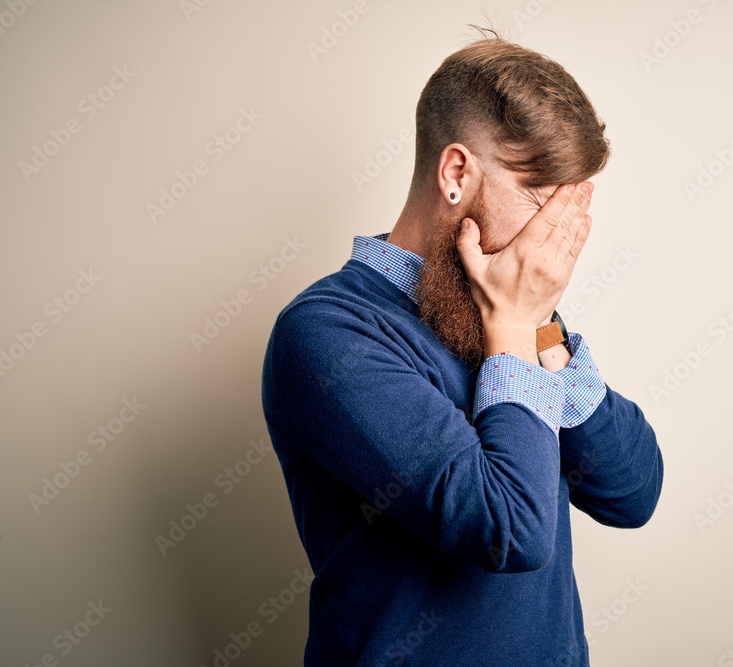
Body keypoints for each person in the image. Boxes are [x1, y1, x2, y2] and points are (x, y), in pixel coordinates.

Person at [261, 31, 663, 666]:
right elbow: (509, 529)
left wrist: (541, 333)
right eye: (540, 200)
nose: (555, 239)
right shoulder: (327, 335)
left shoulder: (502, 312)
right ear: (455, 174)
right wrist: (516, 327)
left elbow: (632, 492)